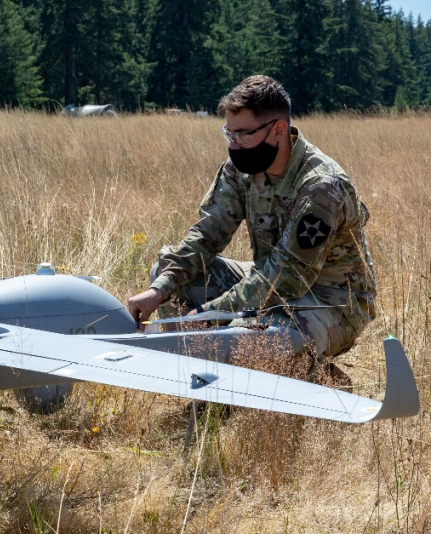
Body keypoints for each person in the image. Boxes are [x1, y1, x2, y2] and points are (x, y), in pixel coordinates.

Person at [126, 75, 376, 365]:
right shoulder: (240, 169)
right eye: (229, 134)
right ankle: (209, 384)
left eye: (243, 134)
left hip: (333, 300)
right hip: (269, 280)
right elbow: (208, 234)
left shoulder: (322, 186)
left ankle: (322, 383)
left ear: (278, 130)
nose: (235, 144)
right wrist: (159, 290)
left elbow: (287, 279)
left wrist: (208, 315)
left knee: (244, 337)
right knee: (169, 275)